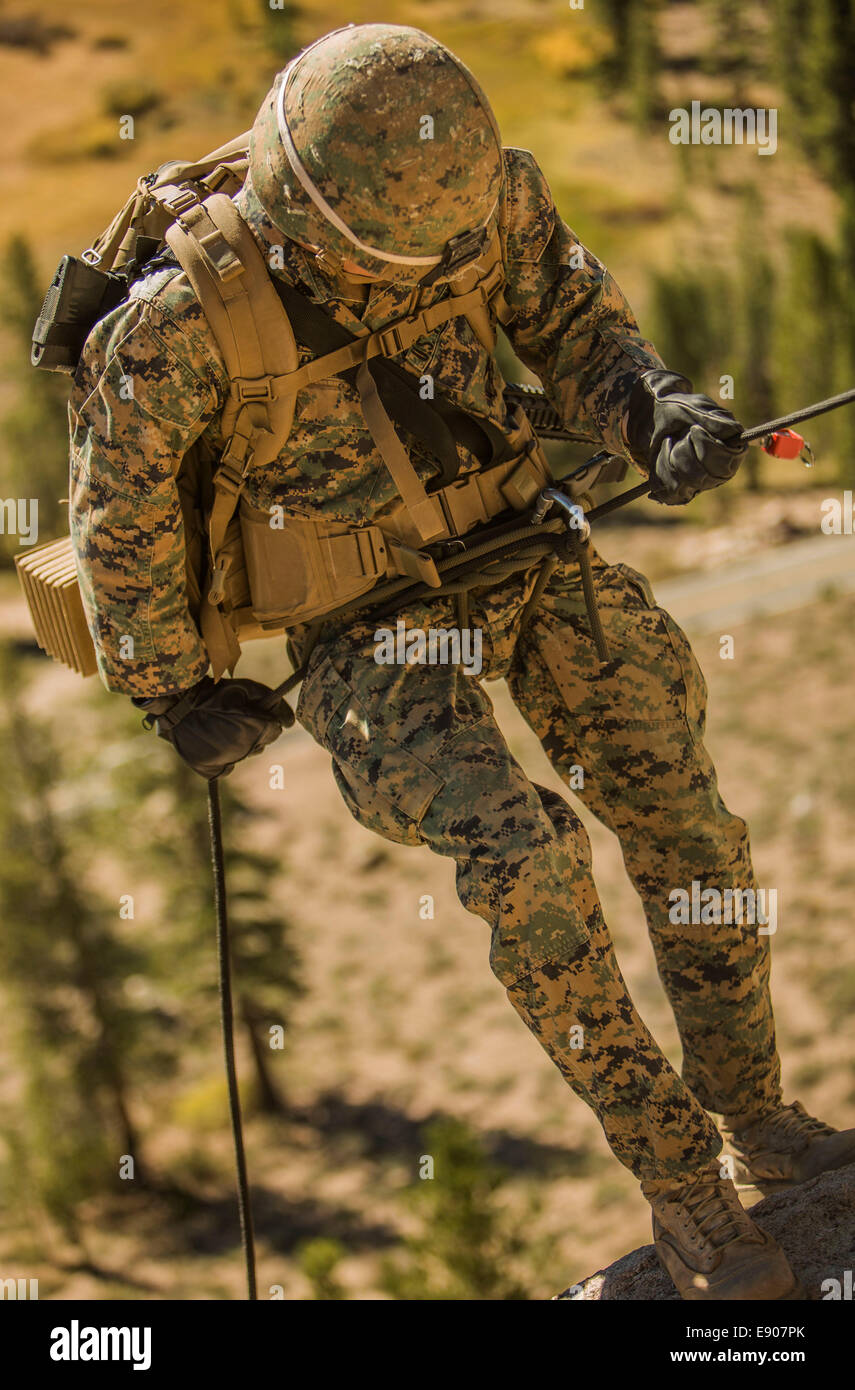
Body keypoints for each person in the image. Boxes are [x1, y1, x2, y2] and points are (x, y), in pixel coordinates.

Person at [68, 23, 855, 1300]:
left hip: (522, 541)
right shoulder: (177, 325)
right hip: (359, 626)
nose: (429, 273)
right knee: (528, 859)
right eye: (395, 262)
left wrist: (652, 410)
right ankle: (683, 1185)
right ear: (311, 219)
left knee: (689, 825)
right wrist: (167, 684)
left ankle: (760, 1122)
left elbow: (574, 321)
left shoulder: (493, 202)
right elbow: (122, 509)